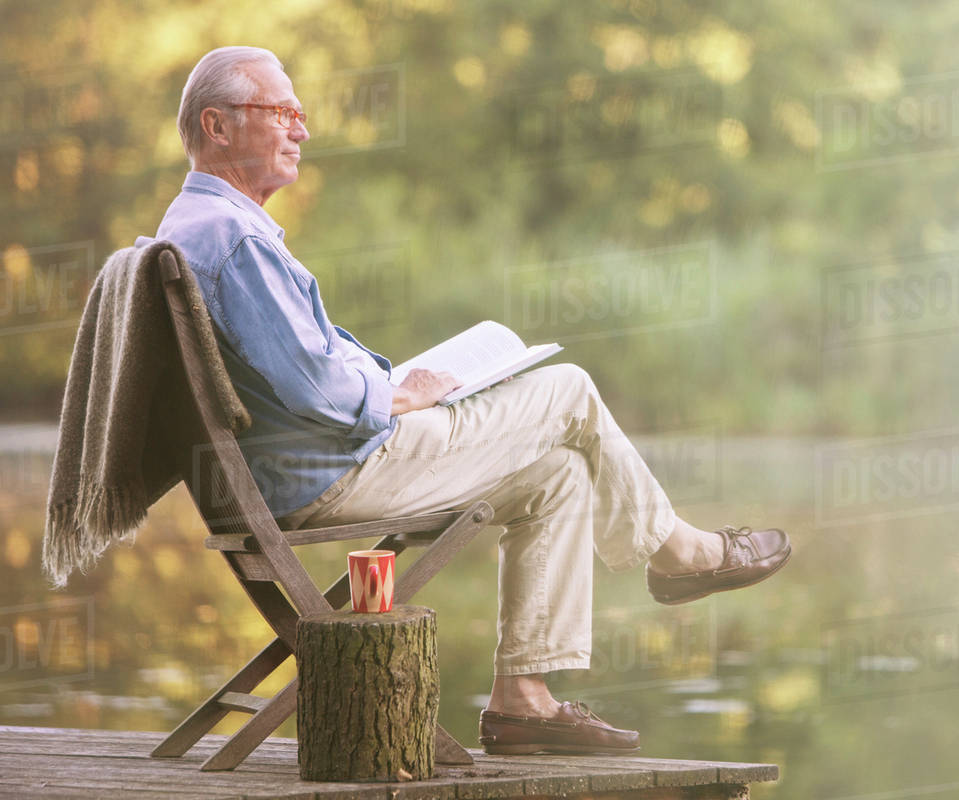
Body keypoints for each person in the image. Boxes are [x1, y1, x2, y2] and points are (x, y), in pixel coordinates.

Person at [140, 46, 791, 756]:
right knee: (567, 389)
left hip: (301, 468)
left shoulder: (198, 226)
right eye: (283, 112)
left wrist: (397, 388)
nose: (302, 129)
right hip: (328, 471)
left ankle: (523, 701)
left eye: (300, 114)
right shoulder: (233, 240)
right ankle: (683, 553)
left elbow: (302, 372)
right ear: (219, 125)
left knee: (558, 476)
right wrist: (398, 394)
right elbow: (317, 388)